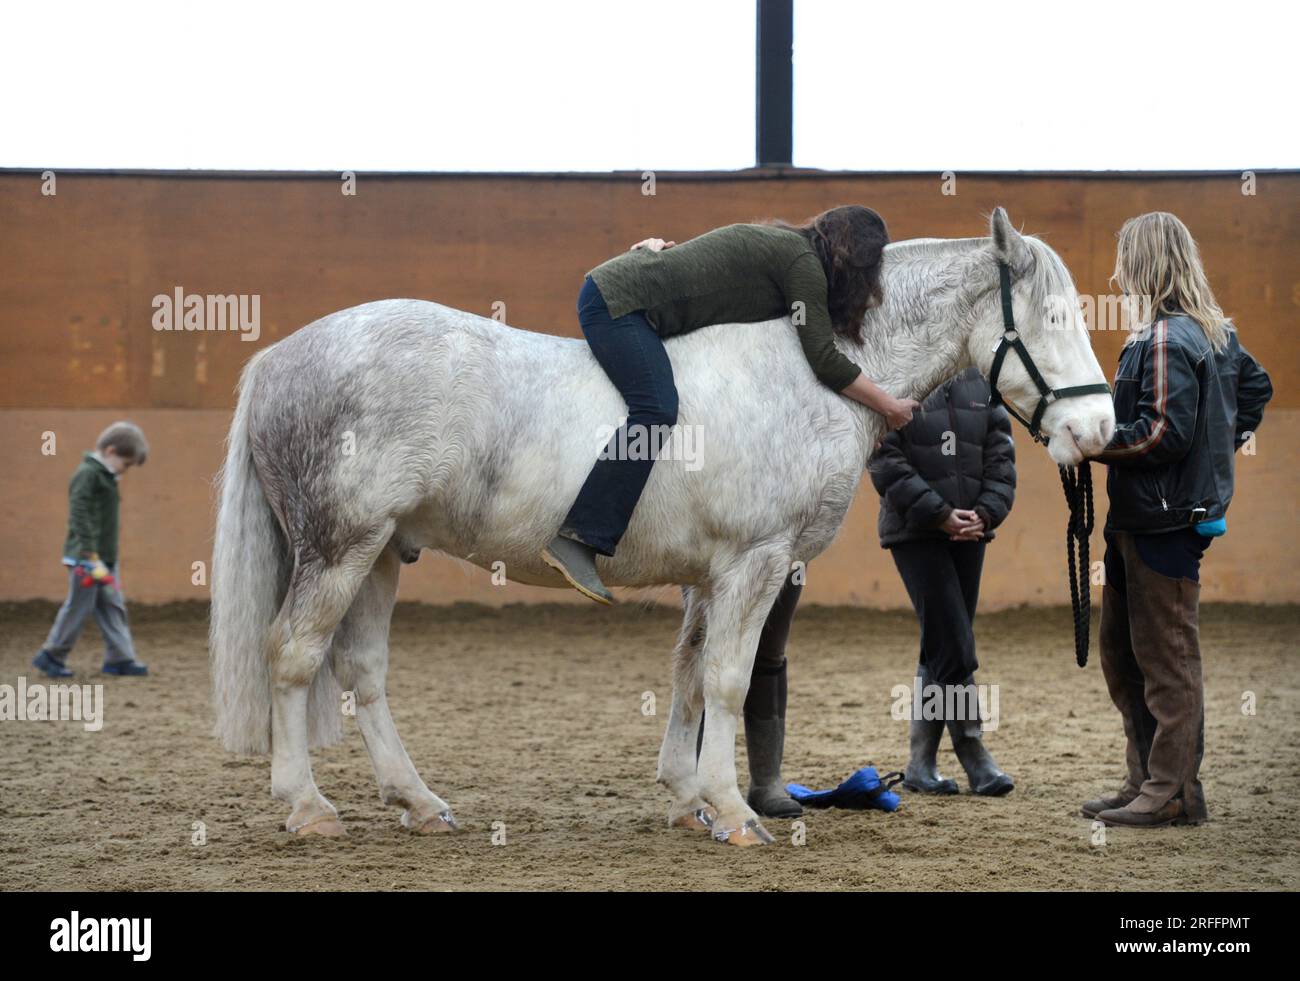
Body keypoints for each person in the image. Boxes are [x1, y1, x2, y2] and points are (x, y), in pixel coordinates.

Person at [541, 206, 920, 604]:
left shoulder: (788, 253)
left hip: (631, 302)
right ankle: (578, 538)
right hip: (617, 307)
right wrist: (888, 406)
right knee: (655, 410)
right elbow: (823, 357)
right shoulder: (801, 264)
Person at [1084, 212, 1272, 829]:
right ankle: (1147, 778)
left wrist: (1091, 443)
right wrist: (1217, 453)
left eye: (1126, 259)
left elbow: (1162, 434)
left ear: (1146, 263)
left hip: (1161, 520)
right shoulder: (1209, 333)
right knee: (1124, 651)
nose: (1118, 273)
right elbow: (1256, 391)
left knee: (1165, 659)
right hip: (1144, 517)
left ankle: (1172, 789)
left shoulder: (1167, 337)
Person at [869, 367, 1017, 796]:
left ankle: (920, 765)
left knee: (941, 641)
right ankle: (975, 753)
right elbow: (884, 459)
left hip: (972, 531)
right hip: (916, 531)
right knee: (953, 640)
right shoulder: (902, 377)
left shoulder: (980, 383)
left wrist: (986, 512)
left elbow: (1001, 454)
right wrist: (938, 513)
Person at [31, 421, 151, 678]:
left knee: (112, 604)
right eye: (126, 463)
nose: (126, 470)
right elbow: (79, 513)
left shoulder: (105, 477)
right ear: (110, 451)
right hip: (86, 559)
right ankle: (51, 654)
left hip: (104, 559)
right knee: (79, 607)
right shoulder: (87, 474)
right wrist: (88, 553)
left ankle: (120, 658)